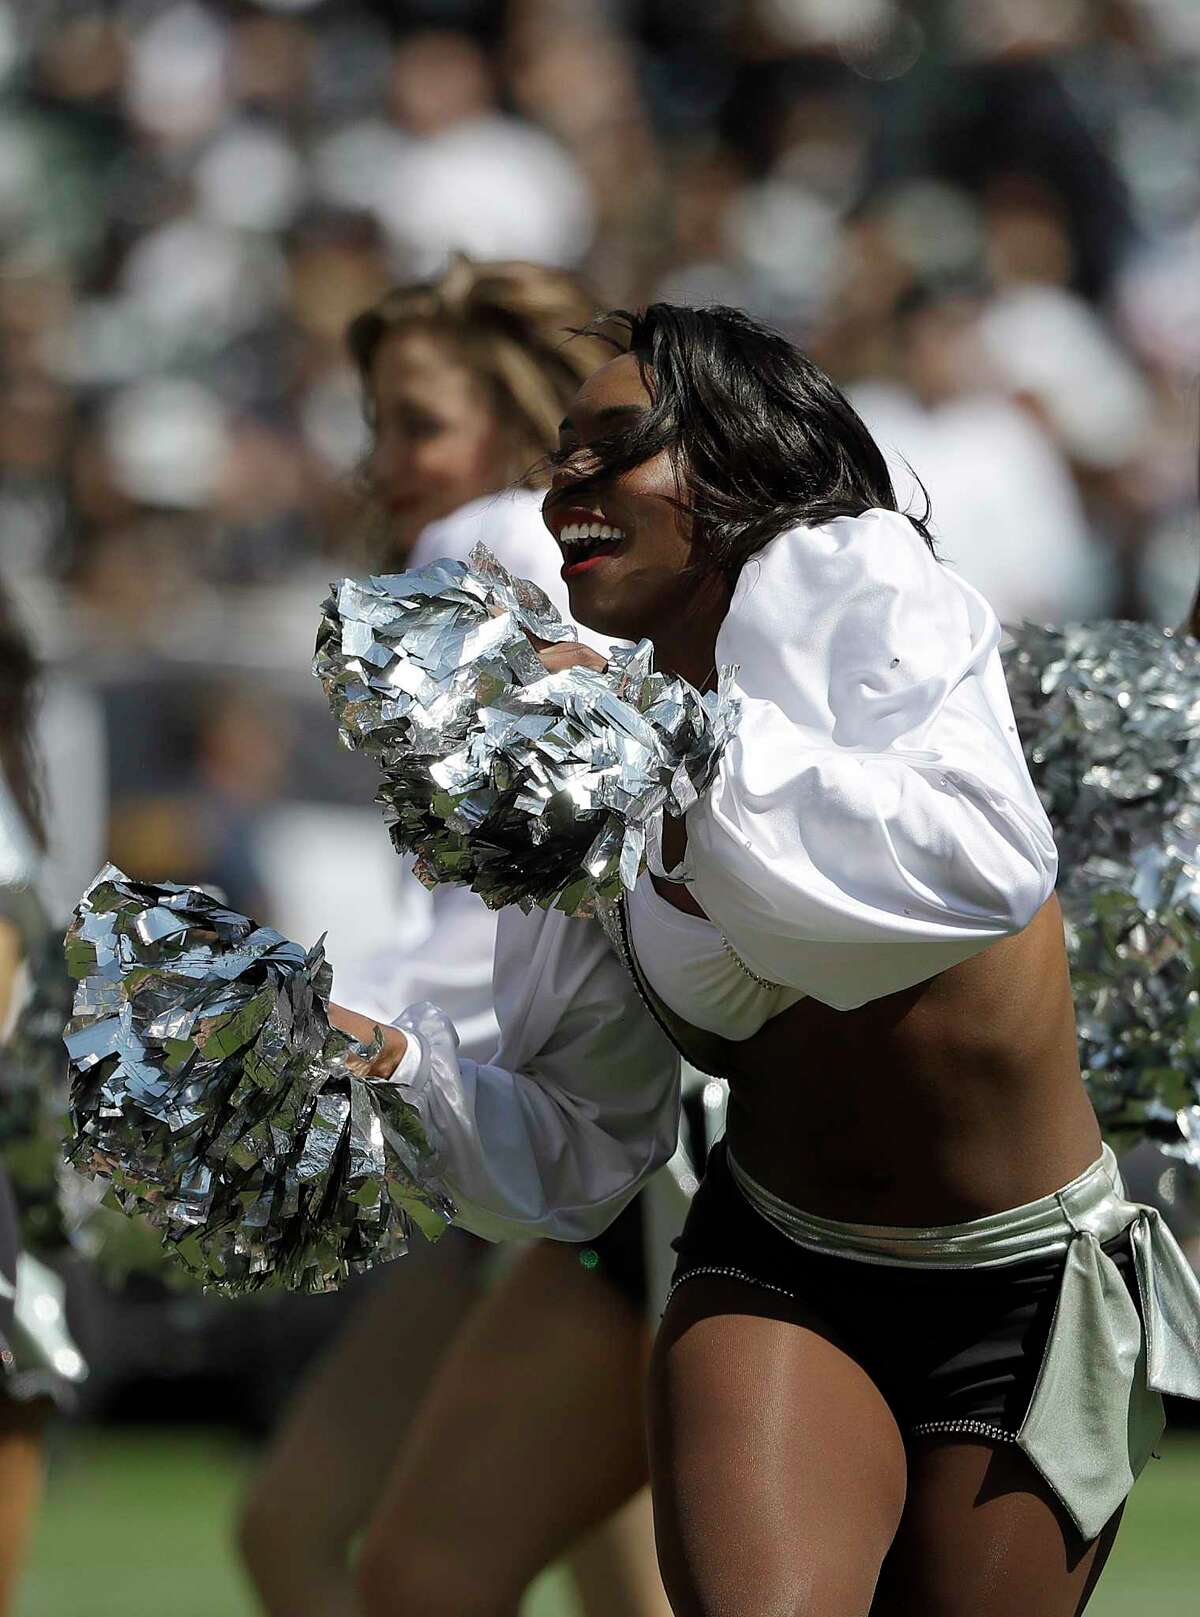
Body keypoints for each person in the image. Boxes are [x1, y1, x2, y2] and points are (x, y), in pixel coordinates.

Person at [330, 302, 1200, 1617]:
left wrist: (669, 742)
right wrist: (384, 1064)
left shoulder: (848, 579)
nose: (565, 485)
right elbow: (584, 1137)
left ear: (736, 472)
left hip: (1026, 1291)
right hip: (780, 1263)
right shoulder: (582, 756)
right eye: (559, 455)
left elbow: (976, 863)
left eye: (613, 447)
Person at [239, 257, 676, 1617]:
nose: (389, 463)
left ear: (508, 423)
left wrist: (315, 1046)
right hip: (620, 1131)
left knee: (331, 1544)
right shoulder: (569, 556)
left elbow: (499, 921)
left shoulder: (479, 547)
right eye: (376, 424)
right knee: (612, 1566)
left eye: (416, 421)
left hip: (552, 1128)